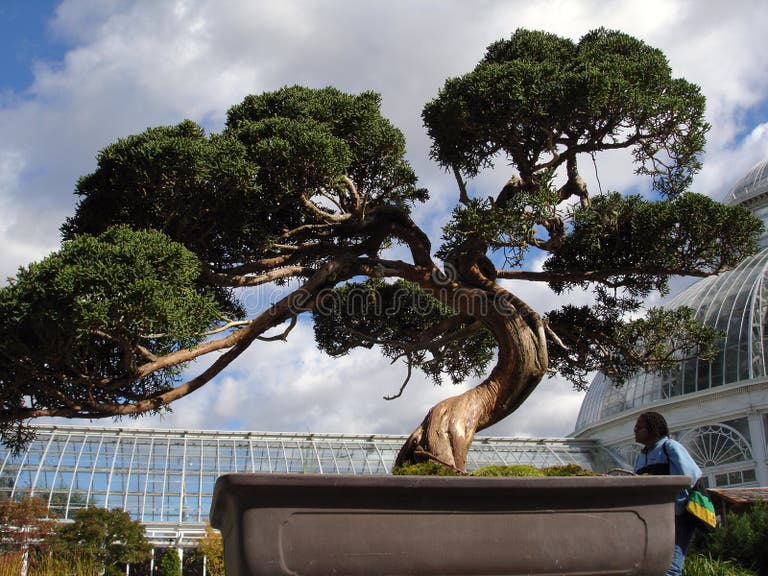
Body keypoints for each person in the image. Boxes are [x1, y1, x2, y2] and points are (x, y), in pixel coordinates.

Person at [633, 411, 701, 576]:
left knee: (670, 567)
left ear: (653, 429)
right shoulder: (642, 456)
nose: (635, 430)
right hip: (656, 518)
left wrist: (675, 504)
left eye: (639, 427)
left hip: (679, 515)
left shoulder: (670, 447)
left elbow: (690, 477)